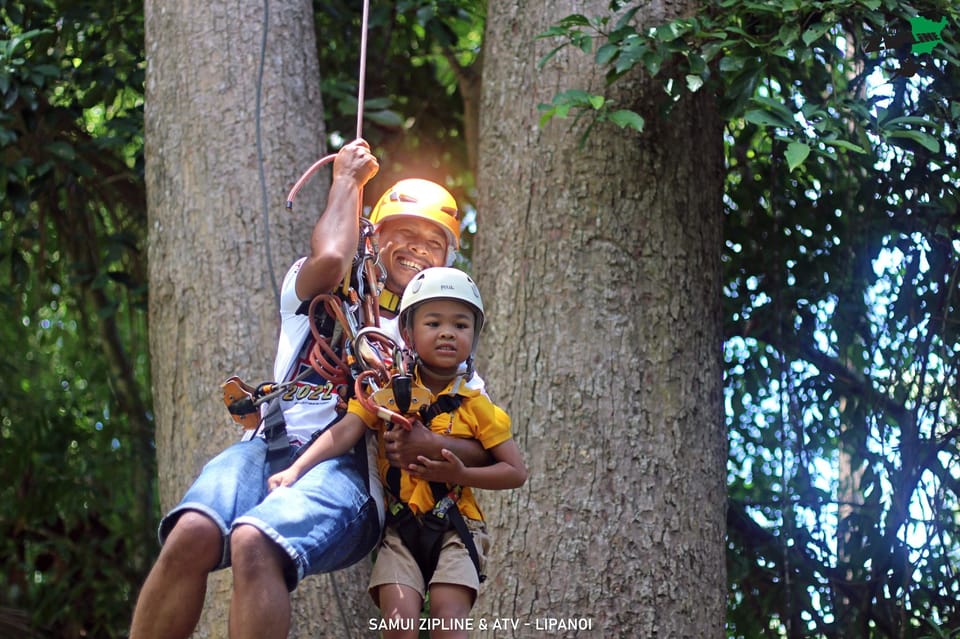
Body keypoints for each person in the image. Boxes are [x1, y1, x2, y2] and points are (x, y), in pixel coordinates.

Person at [129, 140, 490, 639]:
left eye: (434, 242)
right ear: (373, 238)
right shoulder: (314, 291)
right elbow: (333, 255)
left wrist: (432, 445)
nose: (417, 248)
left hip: (350, 475)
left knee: (256, 542)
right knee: (191, 531)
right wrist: (346, 181)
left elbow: (486, 441)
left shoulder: (437, 343)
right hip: (267, 446)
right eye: (402, 233)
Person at [269, 267, 528, 639]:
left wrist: (459, 475)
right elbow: (345, 431)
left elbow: (515, 471)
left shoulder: (478, 408)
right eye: (433, 322)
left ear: (474, 336)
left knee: (448, 619)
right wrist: (296, 470)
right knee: (398, 623)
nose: (447, 333)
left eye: (460, 325)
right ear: (407, 333)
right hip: (400, 527)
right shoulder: (387, 393)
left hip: (457, 527)